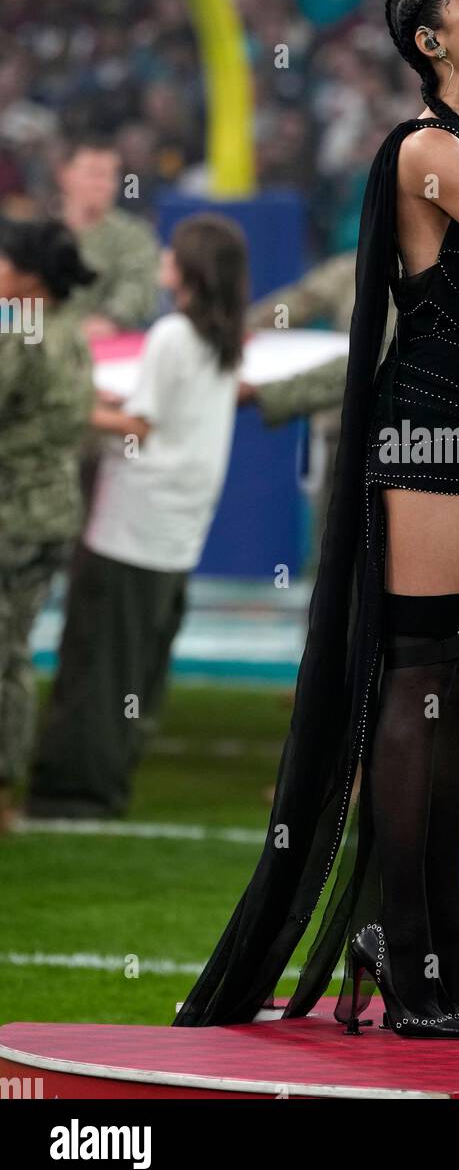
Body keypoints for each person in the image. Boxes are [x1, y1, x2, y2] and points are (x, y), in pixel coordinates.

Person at [173, 0, 459, 1040]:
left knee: (448, 700)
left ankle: (427, 964)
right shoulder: (428, 150)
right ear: (428, 42)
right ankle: (404, 962)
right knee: (415, 694)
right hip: (425, 443)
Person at [27, 215, 248, 819]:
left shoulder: (173, 335)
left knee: (96, 664)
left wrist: (67, 402)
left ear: (190, 268)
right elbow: (154, 411)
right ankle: (107, 778)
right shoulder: (222, 336)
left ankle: (75, 791)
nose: (161, 260)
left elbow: (139, 427)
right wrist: (97, 399)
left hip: (131, 523)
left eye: (171, 254)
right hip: (176, 528)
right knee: (135, 670)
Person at [0, 220, 95, 833]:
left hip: (11, 513)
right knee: (12, 654)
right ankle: (6, 792)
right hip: (51, 512)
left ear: (30, 275)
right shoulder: (70, 330)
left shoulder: (22, 327)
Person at [56, 134, 161, 337]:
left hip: (107, 344)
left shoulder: (134, 235)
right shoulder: (33, 235)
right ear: (64, 175)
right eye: (94, 174)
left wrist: (111, 318)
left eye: (110, 175)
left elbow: (138, 286)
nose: (103, 184)